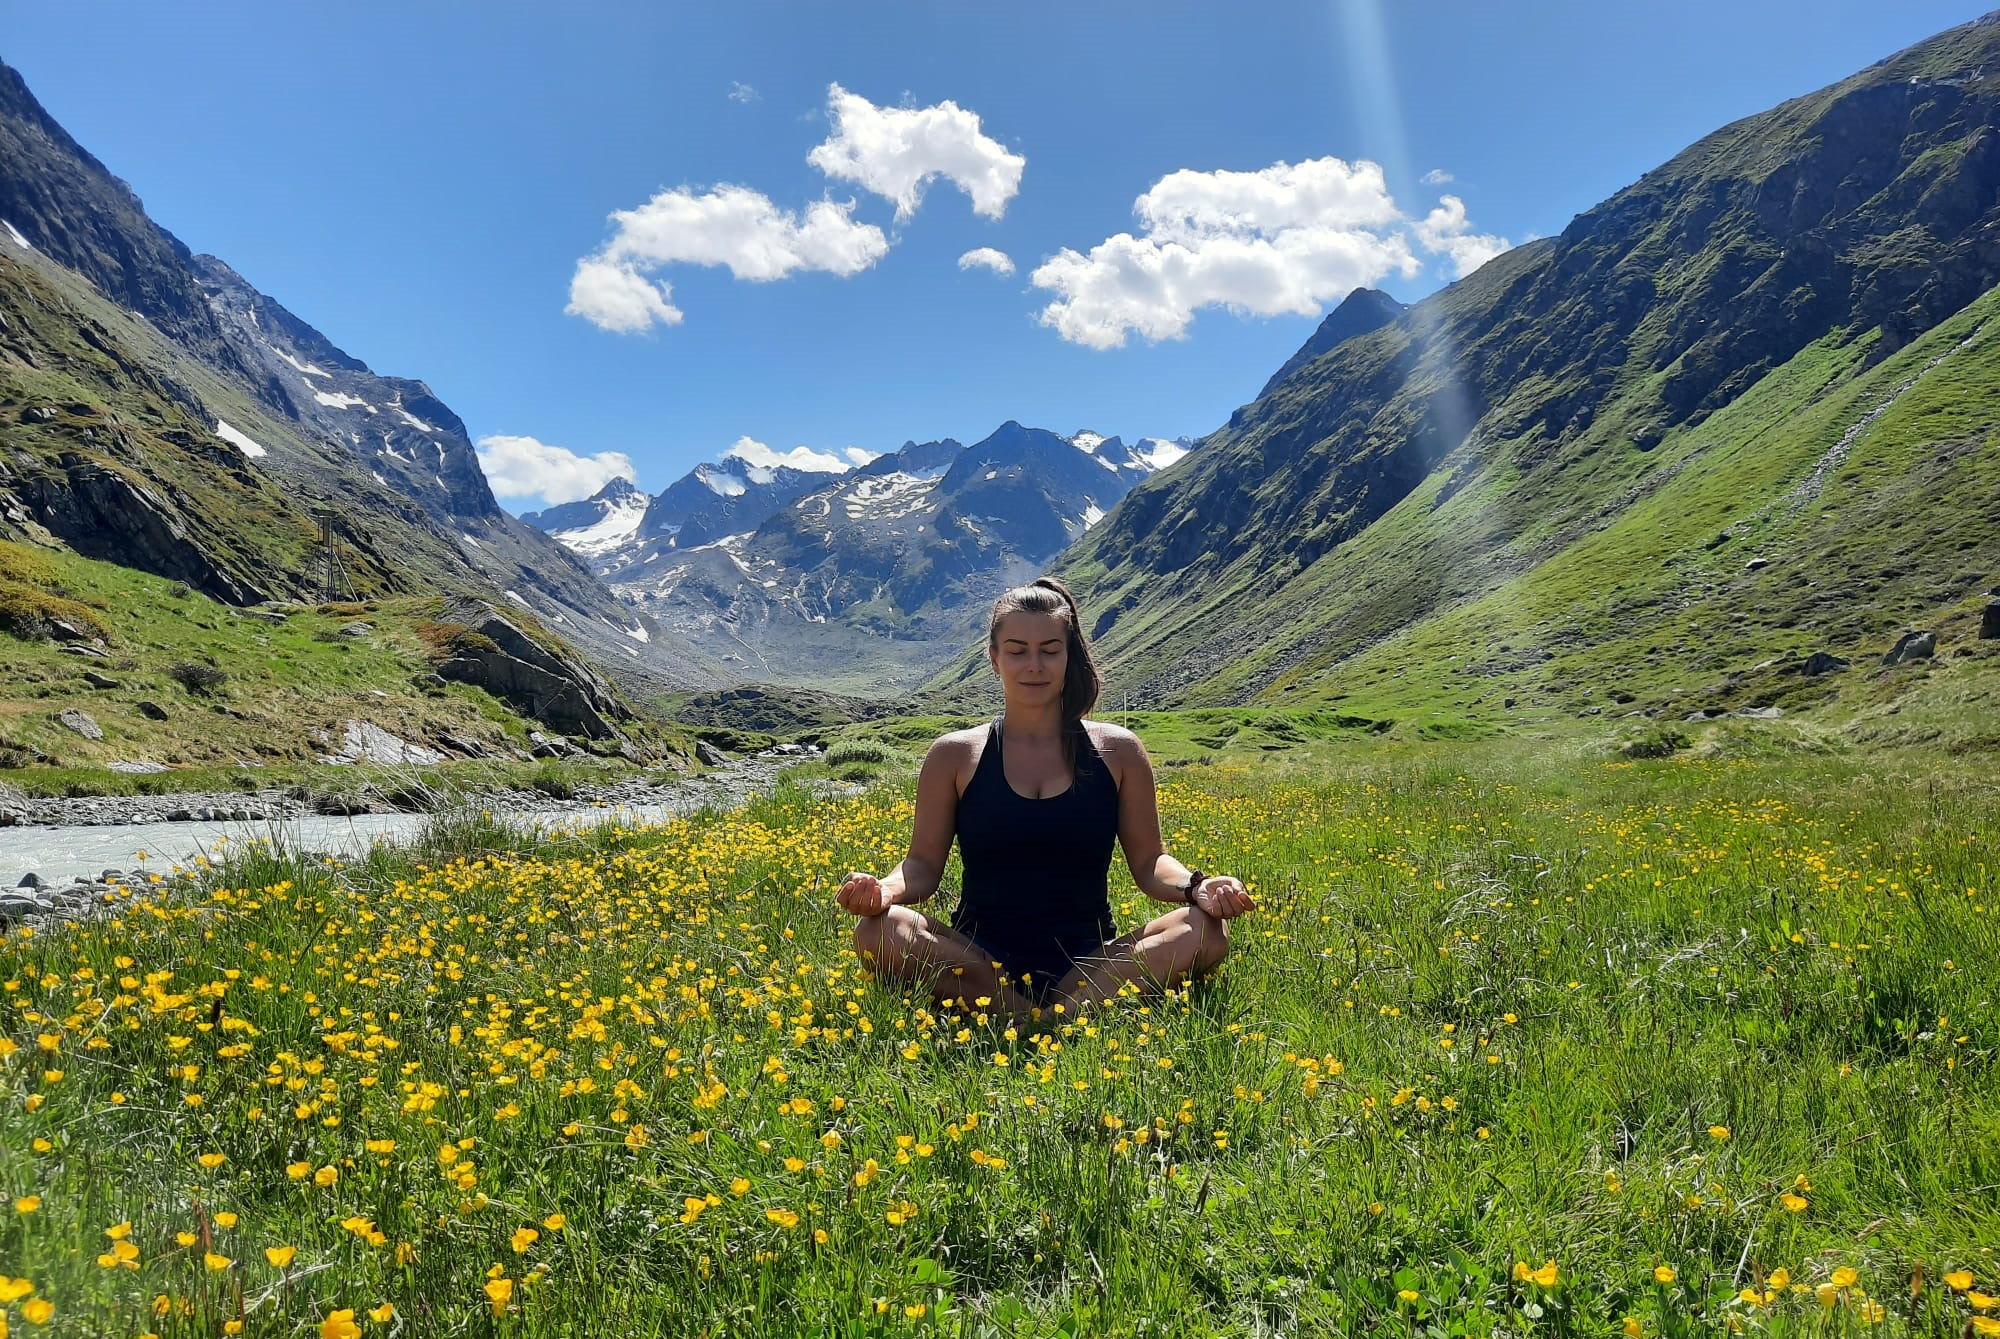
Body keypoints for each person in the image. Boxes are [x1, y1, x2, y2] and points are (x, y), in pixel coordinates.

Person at [838, 576, 1254, 1018]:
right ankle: (1057, 1018)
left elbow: (1150, 863)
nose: (1033, 664)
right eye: (1017, 650)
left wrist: (1199, 887)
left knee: (1208, 932)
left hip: (1089, 962)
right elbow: (921, 867)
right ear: (994, 658)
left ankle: (1024, 1019)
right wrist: (883, 890)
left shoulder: (1119, 751)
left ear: (1068, 655)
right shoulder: (954, 754)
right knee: (876, 932)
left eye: (1049, 650)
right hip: (976, 961)